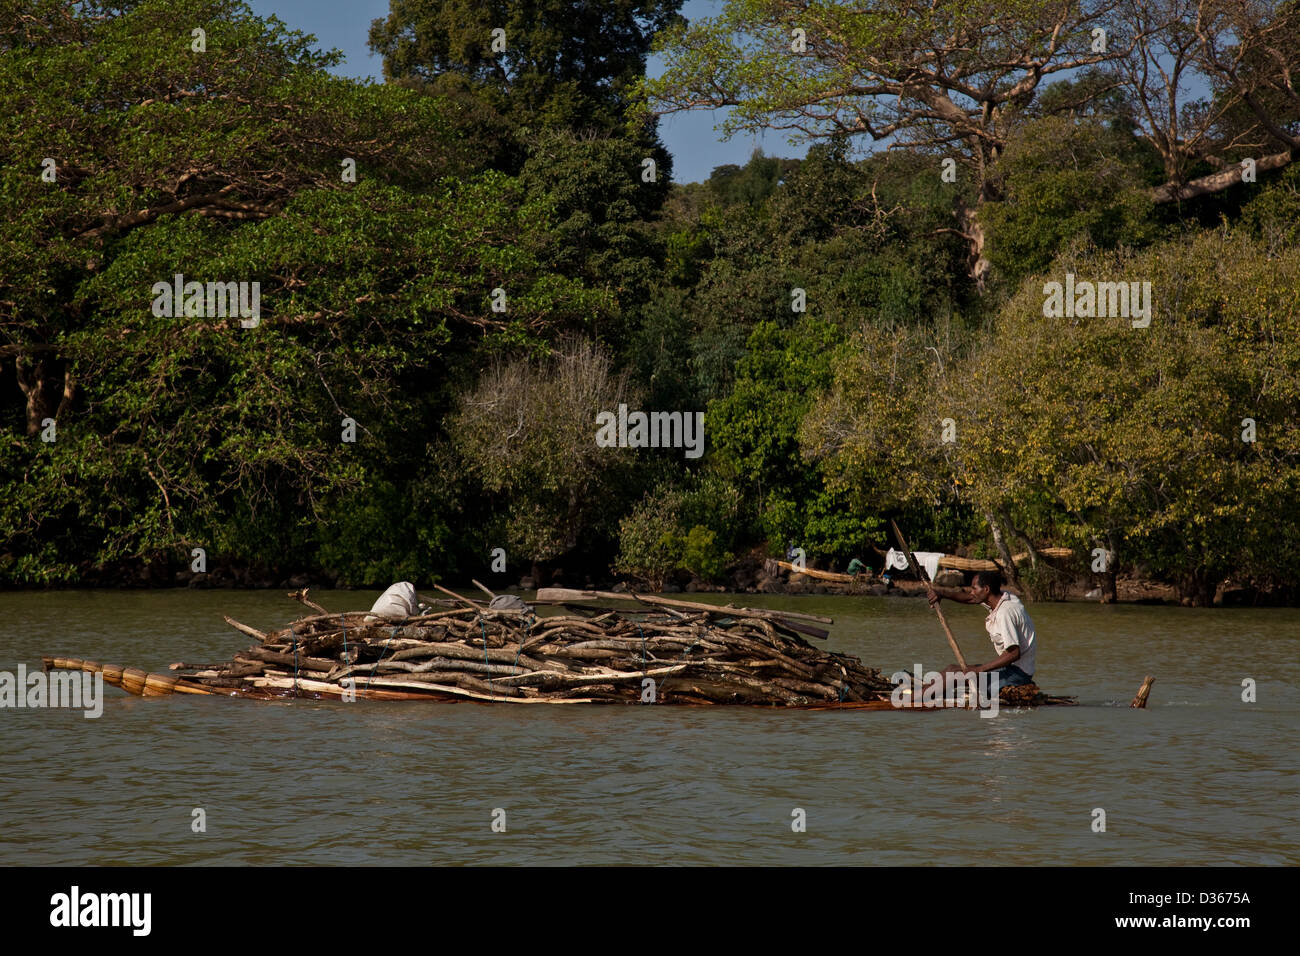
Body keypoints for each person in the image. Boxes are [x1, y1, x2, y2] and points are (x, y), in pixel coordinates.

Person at [927, 569, 1036, 687]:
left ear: (986, 589)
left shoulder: (1004, 612)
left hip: (1017, 675)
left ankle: (914, 698)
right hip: (1009, 669)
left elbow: (1014, 654)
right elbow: (970, 598)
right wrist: (942, 594)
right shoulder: (1000, 597)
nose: (971, 592)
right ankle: (922, 690)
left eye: (974, 588)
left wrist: (979, 670)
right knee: (951, 669)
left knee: (954, 676)